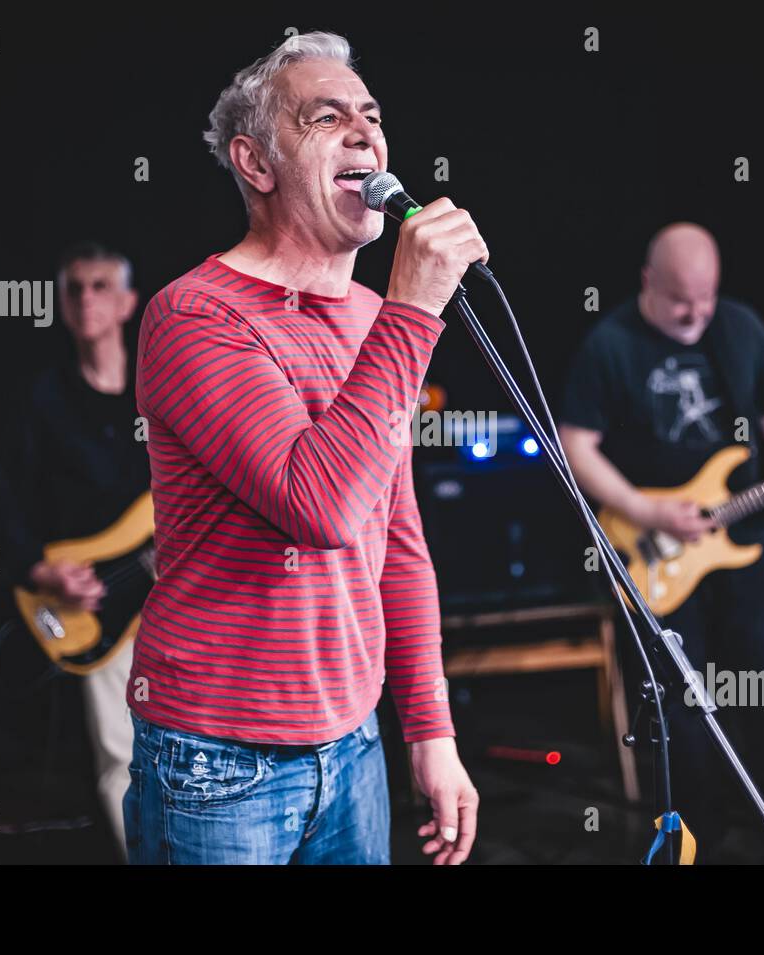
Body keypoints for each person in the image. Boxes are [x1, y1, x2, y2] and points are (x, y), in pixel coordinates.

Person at [123, 31, 483, 865]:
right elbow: (319, 507)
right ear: (256, 163)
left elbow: (396, 541)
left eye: (371, 116)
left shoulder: (372, 316)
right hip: (219, 759)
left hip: (353, 744)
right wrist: (415, 311)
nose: (365, 133)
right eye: (327, 118)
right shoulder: (194, 317)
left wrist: (429, 731)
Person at [559, 222, 764, 862]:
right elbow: (575, 445)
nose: (697, 313)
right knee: (682, 715)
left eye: (705, 298)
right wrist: (647, 508)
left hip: (748, 545)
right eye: (680, 300)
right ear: (648, 281)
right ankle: (692, 844)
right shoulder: (610, 344)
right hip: (655, 548)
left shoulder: (741, 329)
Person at [0, 241, 147, 861]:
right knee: (119, 755)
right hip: (93, 609)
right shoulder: (42, 401)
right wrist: (42, 570)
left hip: (182, 603)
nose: (86, 299)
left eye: (101, 285)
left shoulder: (162, 387)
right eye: (74, 288)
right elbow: (4, 501)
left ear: (129, 302)